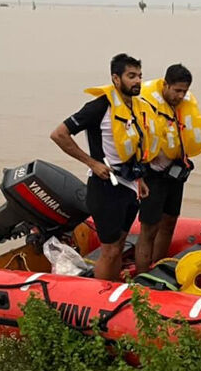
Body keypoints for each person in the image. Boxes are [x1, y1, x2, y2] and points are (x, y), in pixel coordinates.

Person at [50, 53, 153, 281]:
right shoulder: (99, 106)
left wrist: (140, 180)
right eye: (131, 76)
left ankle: (112, 291)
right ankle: (99, 299)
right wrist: (91, 162)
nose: (137, 81)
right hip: (105, 186)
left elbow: (134, 147)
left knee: (120, 245)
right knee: (111, 250)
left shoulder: (137, 107)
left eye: (139, 76)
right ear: (116, 78)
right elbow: (59, 134)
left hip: (129, 186)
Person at [135, 64, 201, 273]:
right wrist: (138, 178)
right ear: (165, 85)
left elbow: (184, 134)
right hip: (152, 174)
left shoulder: (183, 105)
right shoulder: (144, 104)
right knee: (149, 228)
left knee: (170, 222)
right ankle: (142, 277)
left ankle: (158, 268)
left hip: (174, 174)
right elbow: (132, 143)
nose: (181, 96)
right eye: (177, 91)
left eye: (184, 91)